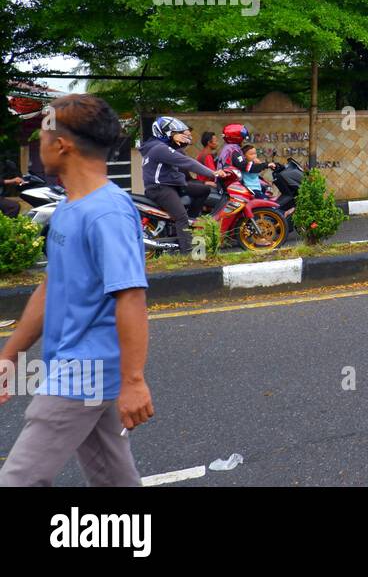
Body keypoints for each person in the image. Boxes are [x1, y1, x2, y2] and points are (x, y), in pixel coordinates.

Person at [0, 94, 153, 486]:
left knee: (19, 480)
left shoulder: (108, 211)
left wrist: (134, 381)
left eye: (42, 134)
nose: (39, 143)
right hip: (82, 368)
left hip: (82, 373)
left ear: (61, 144)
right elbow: (53, 286)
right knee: (113, 476)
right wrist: (11, 354)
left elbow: (131, 296)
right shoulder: (70, 207)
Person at [140, 117, 226, 253]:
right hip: (160, 189)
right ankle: (188, 253)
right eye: (176, 133)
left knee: (203, 190)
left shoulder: (162, 147)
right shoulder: (159, 149)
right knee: (181, 217)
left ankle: (191, 221)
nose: (181, 136)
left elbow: (181, 152)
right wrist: (213, 173)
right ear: (164, 133)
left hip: (172, 185)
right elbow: (188, 163)